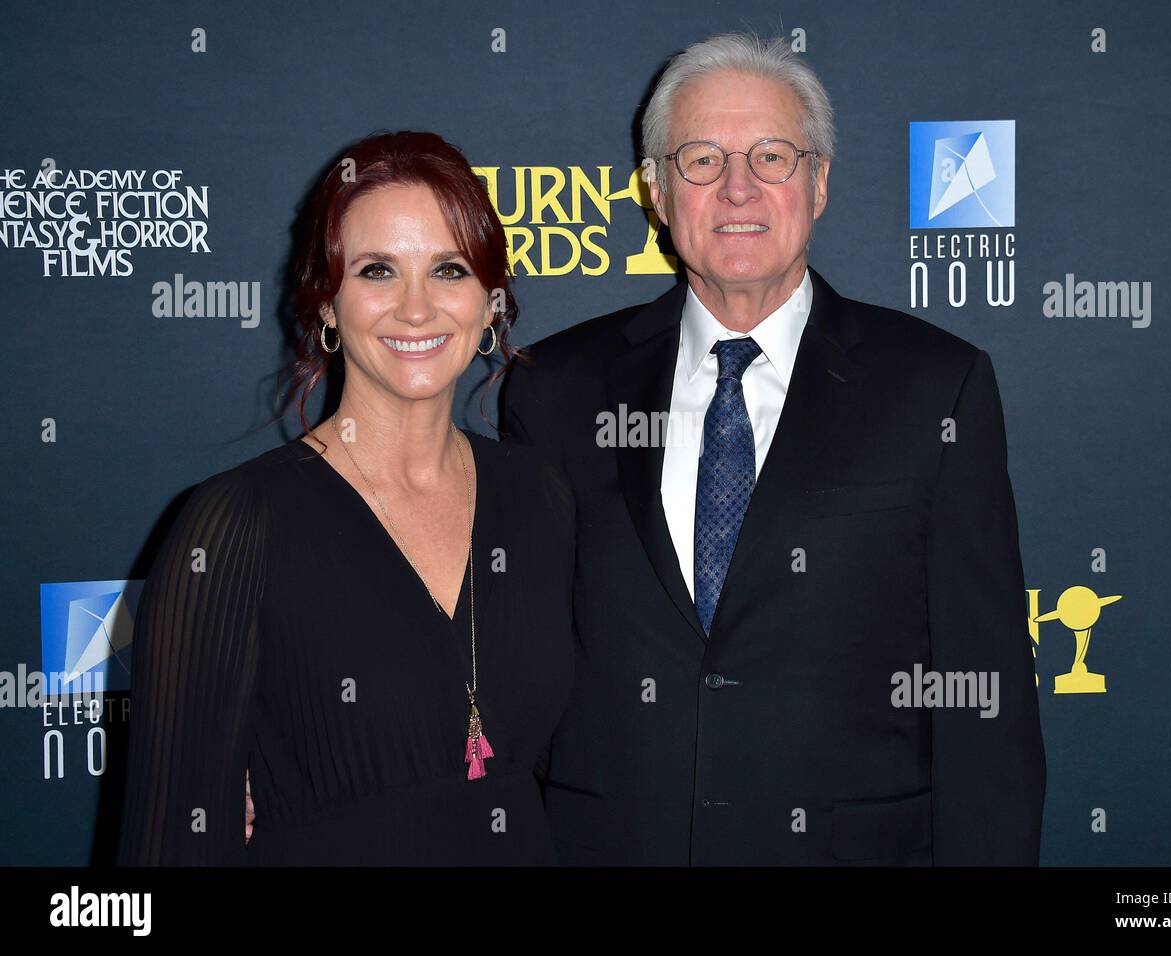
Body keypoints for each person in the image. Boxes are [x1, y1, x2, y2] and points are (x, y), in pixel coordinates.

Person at [499, 33, 1046, 865]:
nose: (739, 187)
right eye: (702, 159)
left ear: (820, 182)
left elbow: (985, 695)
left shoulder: (938, 386)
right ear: (655, 190)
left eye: (772, 156)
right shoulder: (555, 388)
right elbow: (512, 659)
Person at [116, 131, 575, 865]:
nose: (416, 308)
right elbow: (168, 848)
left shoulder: (540, 497)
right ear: (327, 303)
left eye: (449, 269)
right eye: (377, 271)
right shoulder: (238, 521)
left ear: (490, 301)